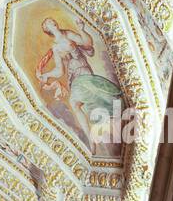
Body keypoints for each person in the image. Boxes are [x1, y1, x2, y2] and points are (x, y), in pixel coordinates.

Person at [36, 16, 123, 150]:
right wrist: (47, 75)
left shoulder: (68, 34)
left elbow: (87, 44)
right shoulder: (55, 48)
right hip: (73, 76)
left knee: (90, 97)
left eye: (52, 20)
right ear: (47, 29)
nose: (52, 21)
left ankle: (114, 114)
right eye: (48, 22)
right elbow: (59, 70)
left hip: (82, 69)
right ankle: (90, 138)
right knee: (76, 104)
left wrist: (82, 30)